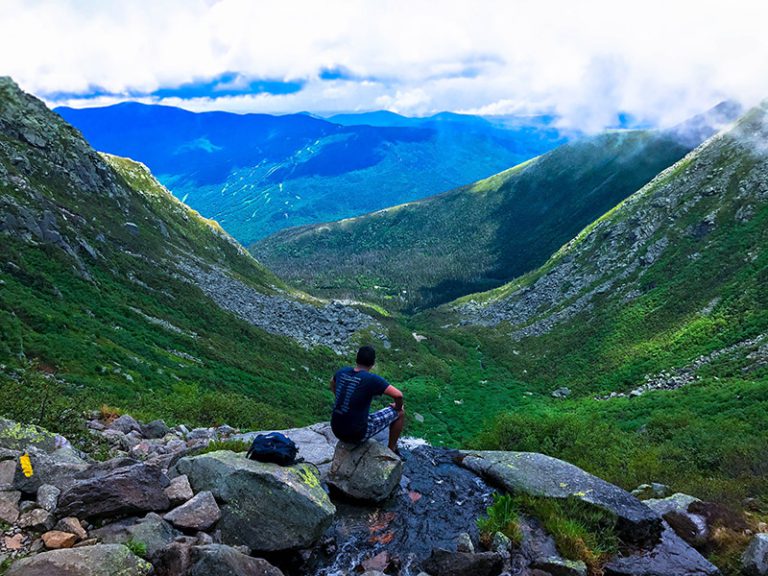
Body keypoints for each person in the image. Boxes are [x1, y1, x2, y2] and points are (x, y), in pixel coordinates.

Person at [330, 345, 405, 454]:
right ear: (372, 363)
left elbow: (332, 381)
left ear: (357, 359)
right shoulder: (371, 379)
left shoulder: (342, 371)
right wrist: (397, 407)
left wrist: (339, 396)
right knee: (401, 413)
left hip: (336, 429)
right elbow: (398, 395)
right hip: (356, 434)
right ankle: (391, 449)